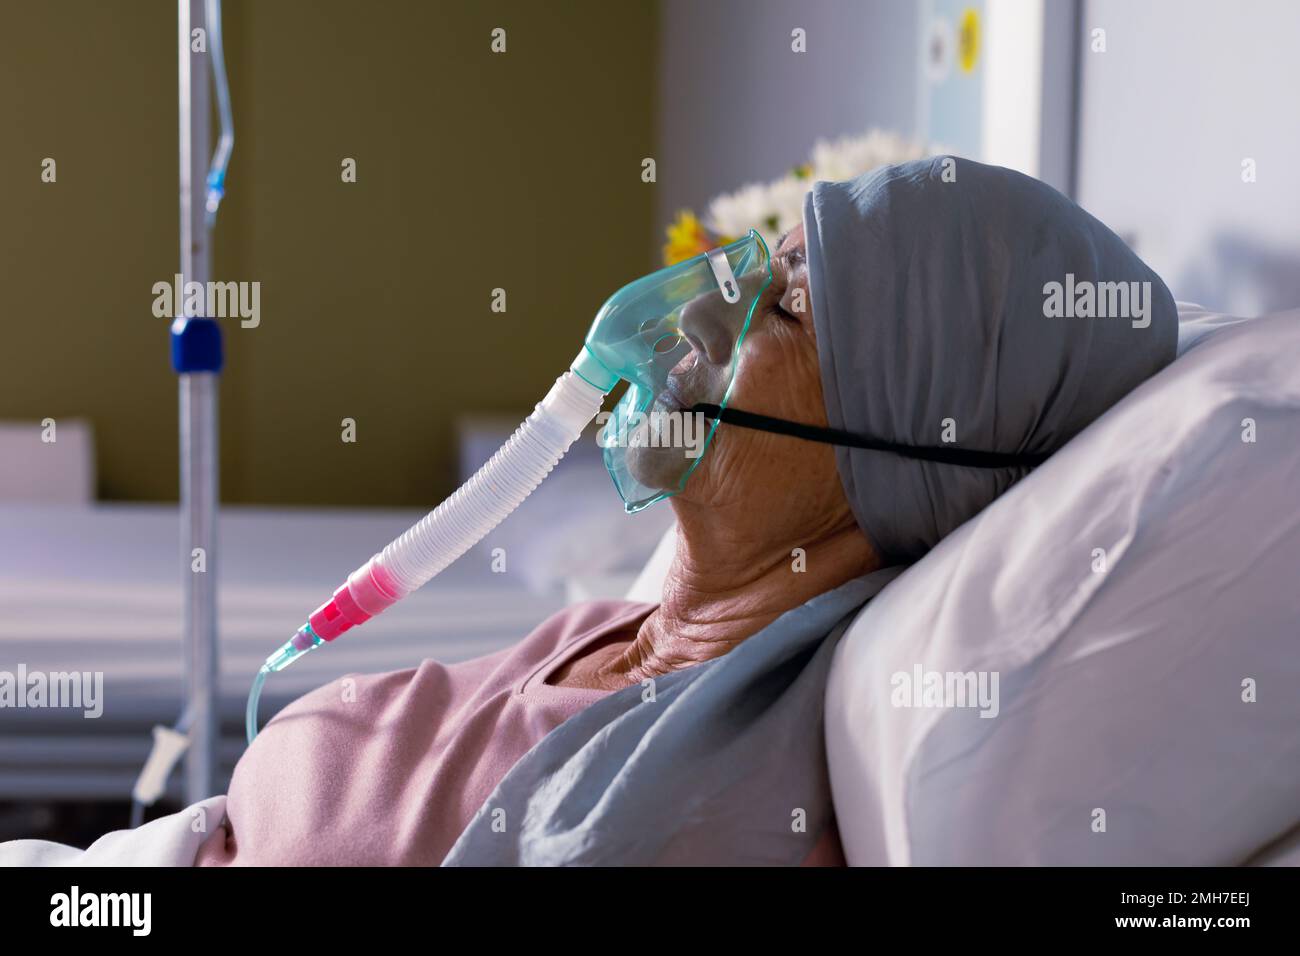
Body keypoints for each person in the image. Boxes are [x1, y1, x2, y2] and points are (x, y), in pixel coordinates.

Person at [197, 157, 1177, 866]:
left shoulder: (701, 809)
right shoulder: (606, 630)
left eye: (783, 309)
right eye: (750, 267)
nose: (698, 316)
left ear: (908, 459)